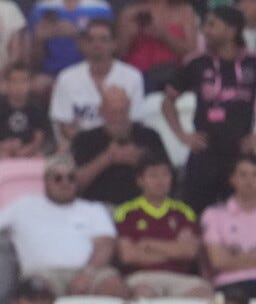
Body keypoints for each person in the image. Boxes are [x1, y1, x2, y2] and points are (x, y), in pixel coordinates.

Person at [0, 156, 127, 296]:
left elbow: (105, 246)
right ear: (46, 181)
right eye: (58, 178)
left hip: (88, 271)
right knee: (37, 290)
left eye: (71, 178)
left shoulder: (93, 209)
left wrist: (87, 274)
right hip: (42, 273)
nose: (65, 183)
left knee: (113, 286)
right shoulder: (23, 205)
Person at [164, 5, 256, 213]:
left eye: (212, 25)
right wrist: (182, 135)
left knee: (243, 216)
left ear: (232, 30)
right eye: (205, 25)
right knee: (192, 217)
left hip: (240, 154)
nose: (205, 30)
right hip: (203, 153)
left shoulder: (252, 62)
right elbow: (167, 102)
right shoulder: (196, 62)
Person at [114, 156, 210, 297]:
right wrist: (174, 251)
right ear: (140, 181)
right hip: (143, 278)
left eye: (165, 174)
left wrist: (149, 244)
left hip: (180, 277)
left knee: (206, 296)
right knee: (142, 295)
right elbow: (128, 256)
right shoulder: (126, 212)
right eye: (153, 175)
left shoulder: (183, 211)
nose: (160, 181)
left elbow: (189, 252)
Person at [70, 85, 169, 207]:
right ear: (101, 111)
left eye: (122, 111)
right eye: (112, 112)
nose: (118, 118)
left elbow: (169, 178)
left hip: (143, 207)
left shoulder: (149, 136)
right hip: (98, 209)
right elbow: (74, 184)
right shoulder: (85, 139)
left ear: (129, 108)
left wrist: (141, 160)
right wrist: (107, 158)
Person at [50, 17, 145, 138]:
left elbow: (134, 122)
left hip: (120, 144)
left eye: (103, 40)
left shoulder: (133, 77)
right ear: (83, 44)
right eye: (91, 40)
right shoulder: (66, 77)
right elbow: (64, 124)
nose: (97, 45)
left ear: (114, 43)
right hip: (80, 148)